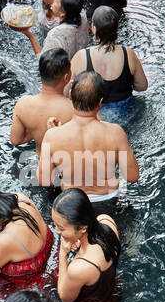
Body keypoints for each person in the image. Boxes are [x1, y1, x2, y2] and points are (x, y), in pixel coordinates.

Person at [40, 72, 141, 206]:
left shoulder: (52, 135)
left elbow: (44, 179)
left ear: (70, 96)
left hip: (72, 203)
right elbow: (132, 176)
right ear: (100, 103)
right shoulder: (115, 133)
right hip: (109, 200)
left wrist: (53, 134)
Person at [51, 188, 121, 302]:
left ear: (82, 228)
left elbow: (65, 296)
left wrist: (63, 254)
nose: (56, 231)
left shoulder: (80, 267)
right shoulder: (107, 221)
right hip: (111, 300)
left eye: (61, 228)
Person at [72, 6, 148, 126]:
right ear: (117, 26)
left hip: (94, 121)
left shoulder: (81, 57)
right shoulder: (128, 54)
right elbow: (142, 86)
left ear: (94, 29)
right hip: (126, 117)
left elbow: (66, 93)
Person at [10, 48, 75, 150]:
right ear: (66, 77)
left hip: (40, 160)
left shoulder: (23, 104)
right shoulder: (74, 110)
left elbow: (16, 140)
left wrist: (34, 130)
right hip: (66, 163)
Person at [14, 0, 87, 58]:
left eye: (56, 1)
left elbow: (43, 61)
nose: (52, 2)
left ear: (63, 13)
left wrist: (30, 35)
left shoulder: (55, 35)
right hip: (80, 59)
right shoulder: (81, 14)